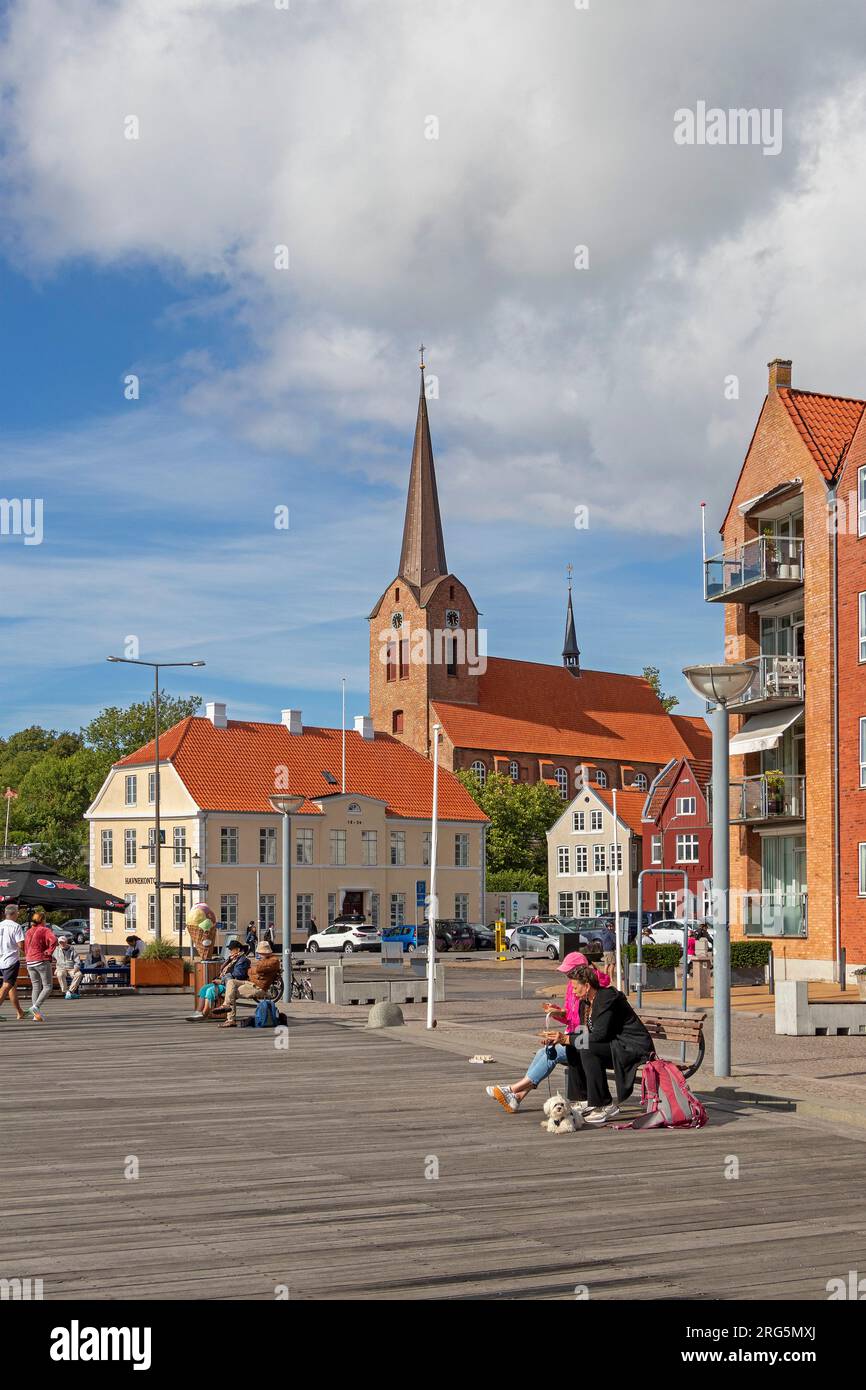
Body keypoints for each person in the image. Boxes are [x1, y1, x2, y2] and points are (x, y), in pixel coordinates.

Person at [485, 953, 612, 1114]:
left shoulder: (591, 989)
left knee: (554, 1053)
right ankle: (517, 1097)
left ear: (581, 973)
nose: (567, 976)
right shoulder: (573, 986)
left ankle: (512, 1089)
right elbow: (572, 1018)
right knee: (543, 1052)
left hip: (585, 1042)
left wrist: (564, 1038)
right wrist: (557, 1013)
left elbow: (586, 1024)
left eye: (570, 972)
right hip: (576, 1037)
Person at [543, 964, 654, 1125]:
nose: (572, 991)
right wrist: (559, 1039)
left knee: (587, 1048)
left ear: (587, 986)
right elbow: (583, 1033)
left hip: (631, 1047)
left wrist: (566, 1038)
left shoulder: (606, 998)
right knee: (574, 1046)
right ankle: (583, 1099)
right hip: (613, 1044)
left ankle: (605, 1104)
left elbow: (600, 1034)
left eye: (575, 987)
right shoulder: (585, 1003)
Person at [219, 940, 280, 1027]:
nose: (258, 955)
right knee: (231, 982)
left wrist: (252, 969)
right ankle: (226, 1005)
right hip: (250, 983)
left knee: (231, 992)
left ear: (266, 952)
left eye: (260, 953)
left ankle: (230, 1019)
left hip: (259, 987)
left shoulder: (273, 961)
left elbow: (259, 969)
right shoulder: (265, 960)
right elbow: (255, 970)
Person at [190, 941, 250, 1020]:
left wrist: (221, 981)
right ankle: (198, 1011)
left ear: (238, 949)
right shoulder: (233, 959)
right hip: (224, 981)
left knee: (210, 990)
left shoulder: (243, 960)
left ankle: (204, 1013)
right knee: (204, 988)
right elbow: (223, 969)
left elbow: (238, 975)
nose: (230, 951)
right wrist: (229, 960)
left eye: (231, 950)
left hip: (232, 984)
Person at [24, 908, 57, 1022]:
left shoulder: (28, 931)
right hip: (41, 960)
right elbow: (54, 940)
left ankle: (36, 1015)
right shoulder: (44, 930)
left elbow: (25, 947)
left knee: (36, 986)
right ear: (42, 920)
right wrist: (49, 951)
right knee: (48, 986)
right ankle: (35, 1007)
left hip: (29, 961)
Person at [0, 904, 27, 1021]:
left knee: (12, 985)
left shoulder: (0, 925)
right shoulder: (16, 927)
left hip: (1, 958)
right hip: (10, 959)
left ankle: (19, 1012)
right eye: (18, 913)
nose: (18, 915)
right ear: (14, 913)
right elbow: (21, 945)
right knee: (7, 985)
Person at [54, 935, 83, 999]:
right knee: (60, 974)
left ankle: (70, 991)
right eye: (60, 942)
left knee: (79, 974)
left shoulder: (72, 950)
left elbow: (77, 961)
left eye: (63, 942)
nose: (62, 944)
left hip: (71, 968)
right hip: (61, 968)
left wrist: (76, 968)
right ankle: (66, 991)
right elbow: (51, 958)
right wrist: (56, 968)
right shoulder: (56, 950)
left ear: (66, 942)